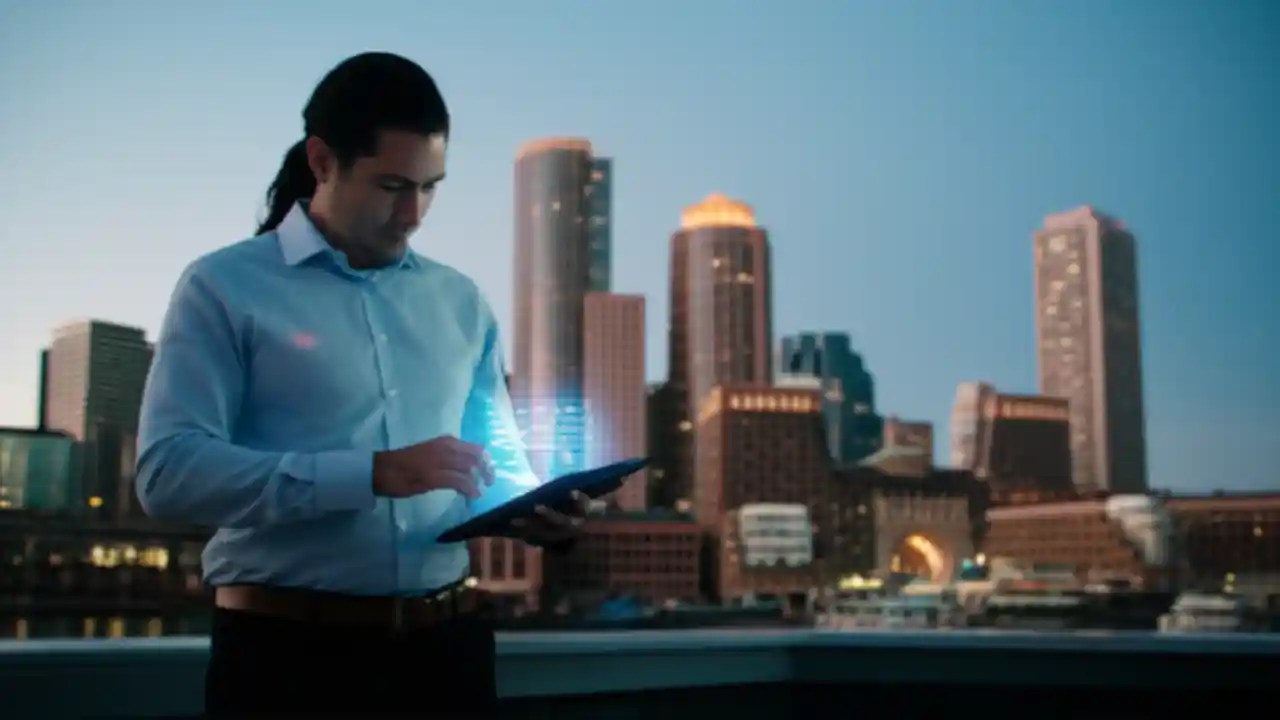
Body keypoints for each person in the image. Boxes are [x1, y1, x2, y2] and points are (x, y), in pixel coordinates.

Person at [135, 51, 587, 718]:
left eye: (431, 186)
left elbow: (491, 470)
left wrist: (541, 515)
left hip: (450, 658)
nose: (414, 213)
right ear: (322, 162)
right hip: (288, 664)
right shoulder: (222, 287)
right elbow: (167, 475)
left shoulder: (462, 302)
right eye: (392, 186)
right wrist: (370, 473)